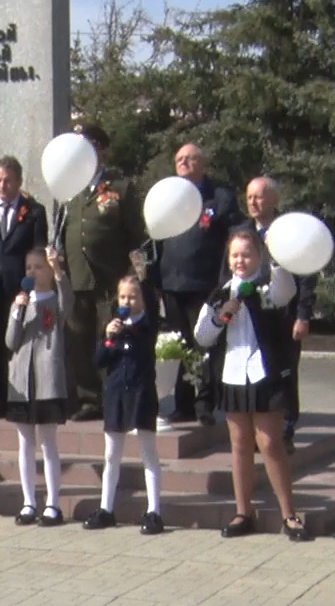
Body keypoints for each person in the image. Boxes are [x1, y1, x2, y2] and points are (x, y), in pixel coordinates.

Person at [195, 229, 311, 541]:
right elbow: (202, 335)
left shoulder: (268, 286)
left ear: (259, 256)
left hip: (263, 372)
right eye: (235, 255)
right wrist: (221, 317)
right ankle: (243, 512)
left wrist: (276, 259)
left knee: (270, 443)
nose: (240, 260)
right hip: (233, 373)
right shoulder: (222, 293)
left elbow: (286, 290)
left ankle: (289, 515)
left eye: (246, 254)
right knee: (240, 444)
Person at [222, 177, 315, 451]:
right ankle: (254, 432)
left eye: (259, 196)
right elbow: (227, 272)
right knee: (253, 371)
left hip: (283, 317)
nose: (253, 202)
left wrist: (303, 315)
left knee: (285, 371)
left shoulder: (289, 232)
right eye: (249, 196)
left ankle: (285, 428)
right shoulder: (239, 233)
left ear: (275, 200)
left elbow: (306, 276)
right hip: (248, 317)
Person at [150, 142, 240, 425]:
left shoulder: (220, 197)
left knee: (205, 344)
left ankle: (205, 403)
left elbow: (236, 234)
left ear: (203, 164)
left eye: (190, 158)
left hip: (205, 283)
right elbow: (154, 238)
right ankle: (183, 404)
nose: (184, 163)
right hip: (171, 283)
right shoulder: (167, 195)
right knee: (180, 344)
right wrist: (152, 281)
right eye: (179, 159)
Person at [60, 125, 139, 422]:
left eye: (89, 144)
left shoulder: (121, 187)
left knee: (111, 339)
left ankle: (115, 397)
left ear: (102, 149)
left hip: (111, 280)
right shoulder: (71, 189)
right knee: (79, 343)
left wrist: (134, 278)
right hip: (78, 280)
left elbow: (137, 237)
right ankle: (89, 399)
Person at [0, 155, 48, 419]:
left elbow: (38, 252)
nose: (1, 186)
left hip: (20, 289)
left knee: (21, 344)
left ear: (19, 182)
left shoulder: (34, 212)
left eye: (7, 181)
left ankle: (22, 398)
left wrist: (30, 287)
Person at [88, 275, 165, 534]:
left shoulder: (149, 324)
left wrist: (127, 331)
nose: (127, 301)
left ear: (143, 299)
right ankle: (106, 508)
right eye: (123, 297)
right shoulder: (113, 327)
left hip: (141, 392)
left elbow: (143, 347)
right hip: (116, 393)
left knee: (148, 452)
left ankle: (154, 510)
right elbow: (99, 360)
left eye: (133, 296)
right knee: (111, 454)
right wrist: (108, 337)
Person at [7, 246, 73, 525]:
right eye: (29, 268)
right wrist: (17, 311)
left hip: (47, 380)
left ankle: (53, 504)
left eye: (39, 267)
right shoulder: (21, 301)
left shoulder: (55, 300)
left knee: (48, 443)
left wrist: (58, 270)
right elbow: (11, 341)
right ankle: (28, 502)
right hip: (22, 379)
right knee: (24, 443)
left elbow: (68, 303)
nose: (33, 272)